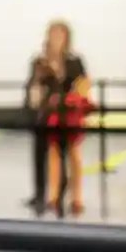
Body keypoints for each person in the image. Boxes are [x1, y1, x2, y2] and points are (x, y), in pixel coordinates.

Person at [25, 21, 89, 217]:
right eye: (52, 35)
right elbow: (33, 87)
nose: (55, 39)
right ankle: (50, 195)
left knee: (74, 155)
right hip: (49, 115)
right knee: (51, 153)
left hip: (70, 115)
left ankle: (76, 197)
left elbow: (82, 84)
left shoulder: (74, 61)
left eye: (59, 35)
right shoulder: (39, 62)